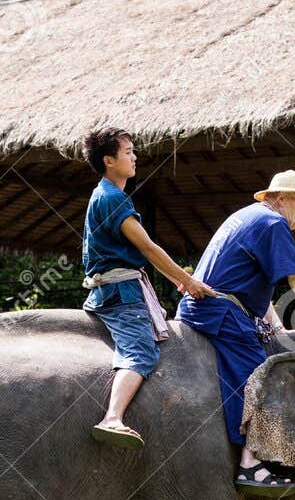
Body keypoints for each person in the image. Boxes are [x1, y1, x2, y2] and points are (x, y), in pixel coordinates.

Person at [179, 169, 295, 495]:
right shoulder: (273, 223)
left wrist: (278, 327)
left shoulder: (249, 216)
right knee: (264, 378)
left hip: (214, 306)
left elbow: (255, 288)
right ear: (282, 198)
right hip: (220, 313)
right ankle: (252, 465)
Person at [81, 127, 214, 449]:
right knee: (141, 352)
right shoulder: (113, 198)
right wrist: (189, 281)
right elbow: (149, 249)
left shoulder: (104, 194)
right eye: (128, 152)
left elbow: (143, 257)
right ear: (109, 160)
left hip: (113, 287)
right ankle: (112, 417)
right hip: (121, 295)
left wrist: (177, 280)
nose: (134, 156)